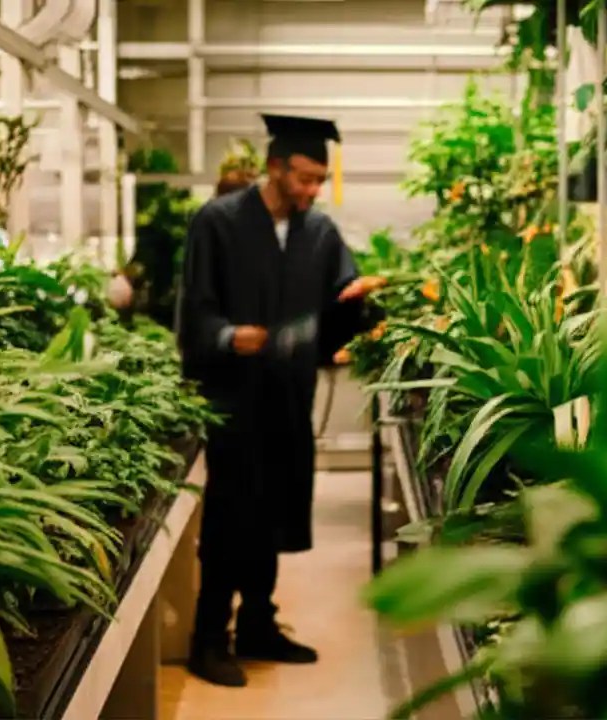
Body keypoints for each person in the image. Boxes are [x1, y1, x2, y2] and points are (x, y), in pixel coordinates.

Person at [177, 113, 382, 688]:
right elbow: (194, 307)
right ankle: (209, 639)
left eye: (320, 180)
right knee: (230, 516)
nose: (313, 190)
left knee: (274, 512)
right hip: (234, 396)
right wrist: (226, 336)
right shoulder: (216, 223)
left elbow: (337, 312)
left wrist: (359, 306)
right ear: (274, 167)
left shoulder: (321, 234)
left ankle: (259, 628)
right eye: (305, 178)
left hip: (290, 394)